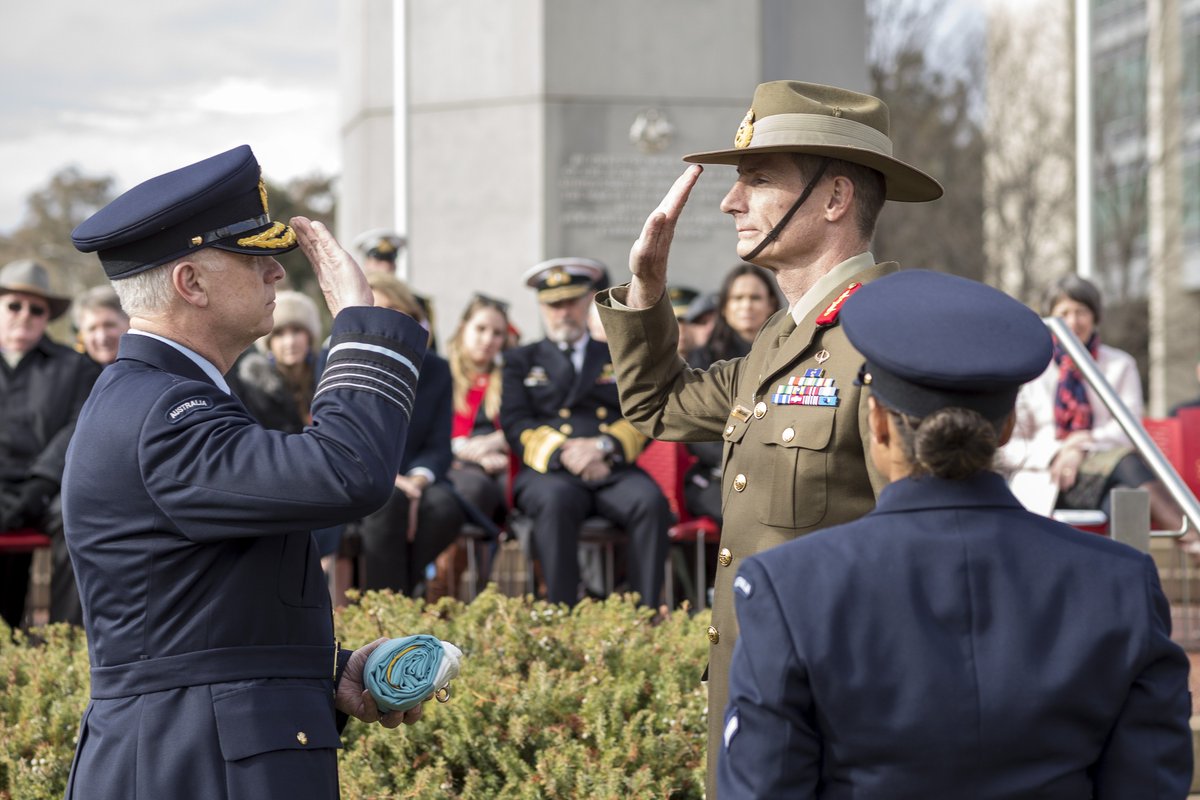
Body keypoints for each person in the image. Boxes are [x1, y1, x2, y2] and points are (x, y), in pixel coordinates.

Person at [720, 269, 1193, 797]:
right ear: (1008, 427)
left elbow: (765, 785)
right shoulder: (1121, 582)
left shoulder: (788, 585)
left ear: (877, 424)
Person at [594, 80, 943, 794]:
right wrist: (647, 291)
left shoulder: (888, 338)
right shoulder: (781, 339)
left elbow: (919, 561)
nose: (730, 202)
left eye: (756, 180)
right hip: (758, 707)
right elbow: (659, 405)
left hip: (835, 725)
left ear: (835, 198)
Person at [64, 145, 430, 799]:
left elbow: (206, 614)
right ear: (191, 283)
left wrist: (328, 671)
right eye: (254, 259)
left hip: (197, 752)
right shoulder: (164, 411)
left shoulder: (164, 397)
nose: (276, 277)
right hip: (189, 762)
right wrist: (361, 324)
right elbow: (348, 470)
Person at [502, 258, 672, 607]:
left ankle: (643, 616)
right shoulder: (522, 360)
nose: (562, 312)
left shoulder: (614, 353)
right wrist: (565, 453)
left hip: (609, 464)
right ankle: (562, 612)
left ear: (587, 302)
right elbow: (516, 421)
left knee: (649, 502)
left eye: (570, 302)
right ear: (541, 307)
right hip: (550, 470)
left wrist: (603, 446)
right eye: (553, 304)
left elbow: (639, 413)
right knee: (555, 501)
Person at [1001, 274, 1183, 529]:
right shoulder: (1031, 369)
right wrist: (1059, 452)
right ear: (1049, 319)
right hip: (1050, 479)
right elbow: (1008, 444)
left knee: (1128, 497)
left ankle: (1186, 545)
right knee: (1128, 470)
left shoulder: (1120, 365)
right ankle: (1192, 538)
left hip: (1106, 475)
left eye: (1081, 311)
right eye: (1063, 313)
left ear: (1095, 316)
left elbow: (1130, 430)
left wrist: (1081, 446)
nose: (1073, 322)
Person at [0, 260, 101, 629]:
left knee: (78, 512)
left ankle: (63, 640)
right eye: (14, 305)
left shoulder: (75, 368)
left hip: (45, 492)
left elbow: (78, 426)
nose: (24, 315)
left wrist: (39, 486)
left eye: (36, 308)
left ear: (47, 317)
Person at [355, 272, 466, 597]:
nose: (385, 316)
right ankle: (390, 609)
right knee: (387, 502)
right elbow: (337, 433)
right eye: (375, 307)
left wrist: (417, 481)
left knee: (445, 509)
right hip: (360, 474)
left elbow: (438, 444)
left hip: (417, 477)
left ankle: (398, 591)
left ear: (411, 315)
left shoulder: (435, 369)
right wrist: (391, 480)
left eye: (393, 308)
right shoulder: (341, 357)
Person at [682, 264, 784, 526]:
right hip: (717, 475)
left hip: (781, 472)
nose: (746, 306)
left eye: (755, 298)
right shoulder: (703, 359)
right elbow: (696, 428)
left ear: (772, 303)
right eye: (737, 298)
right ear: (725, 308)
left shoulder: (789, 354)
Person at [434, 293, 513, 599]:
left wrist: (497, 443)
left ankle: (519, 598)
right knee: (472, 490)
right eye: (480, 329)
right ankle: (444, 594)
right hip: (455, 464)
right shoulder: (442, 371)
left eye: (497, 333)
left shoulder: (509, 376)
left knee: (525, 491)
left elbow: (521, 424)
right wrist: (465, 450)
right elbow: (431, 429)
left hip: (500, 461)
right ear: (463, 327)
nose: (488, 339)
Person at [229, 290, 323, 434]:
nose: (290, 342)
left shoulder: (329, 376)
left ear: (309, 337)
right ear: (268, 343)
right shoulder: (254, 389)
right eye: (279, 334)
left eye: (297, 331)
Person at [72, 284, 130, 366]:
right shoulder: (74, 373)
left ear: (129, 323)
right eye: (92, 329)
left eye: (109, 325)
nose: (102, 337)